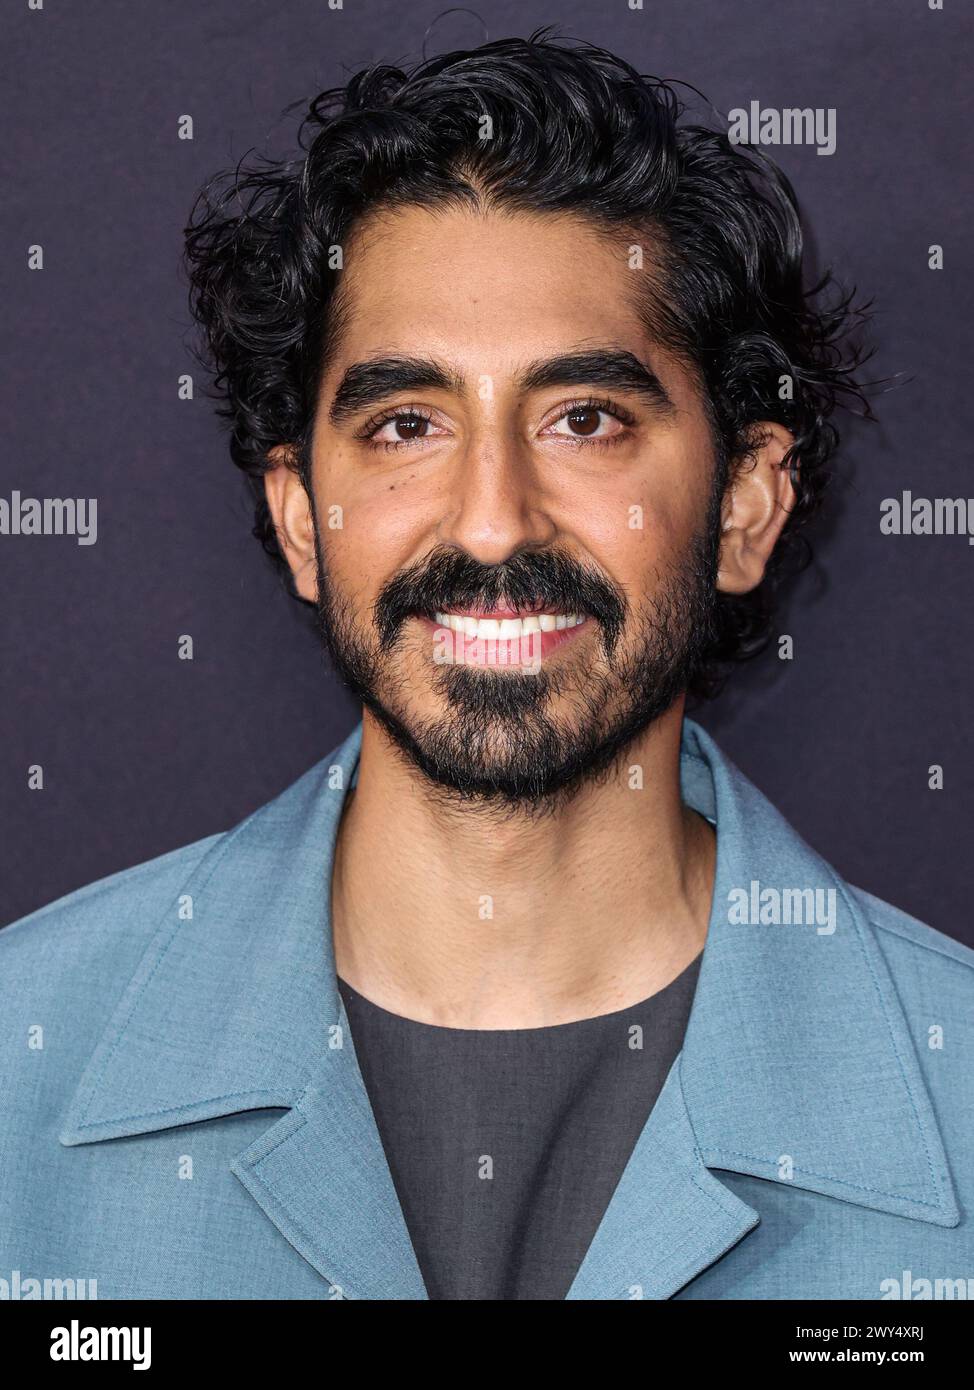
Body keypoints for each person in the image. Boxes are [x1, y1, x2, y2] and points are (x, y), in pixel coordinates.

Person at [2, 30, 971, 1301]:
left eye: (585, 421)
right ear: (303, 518)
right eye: (406, 425)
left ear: (741, 505)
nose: (492, 519)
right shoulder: (24, 1066)